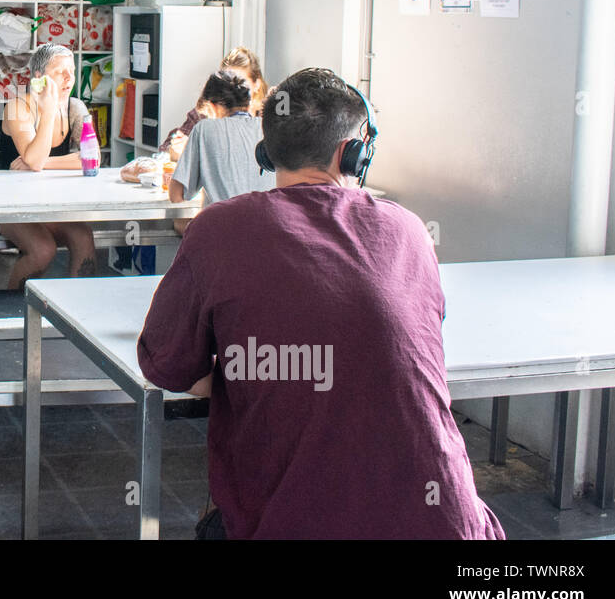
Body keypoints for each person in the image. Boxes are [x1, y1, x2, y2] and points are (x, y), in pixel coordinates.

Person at [137, 68, 504, 539]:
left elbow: (166, 365)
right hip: (448, 523)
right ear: (352, 152)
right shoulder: (410, 230)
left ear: (266, 152)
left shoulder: (219, 230)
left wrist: (251, 374)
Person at [0, 44, 96, 289]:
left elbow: (92, 159)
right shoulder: (19, 107)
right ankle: (13, 312)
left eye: (71, 71)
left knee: (84, 239)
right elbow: (35, 160)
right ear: (39, 78)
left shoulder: (76, 108)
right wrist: (49, 109)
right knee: (43, 250)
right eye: (60, 71)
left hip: (49, 205)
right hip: (9, 205)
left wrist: (42, 164)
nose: (68, 78)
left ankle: (79, 311)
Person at [167, 70, 274, 235]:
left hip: (222, 232)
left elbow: (177, 191)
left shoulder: (205, 128)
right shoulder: (267, 127)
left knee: (180, 229)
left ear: (213, 106)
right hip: (267, 229)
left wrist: (184, 225)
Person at [158, 46, 271, 159]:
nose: (231, 90)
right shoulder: (205, 113)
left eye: (241, 83)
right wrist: (174, 151)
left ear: (257, 84)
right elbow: (166, 147)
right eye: (226, 82)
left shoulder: (266, 117)